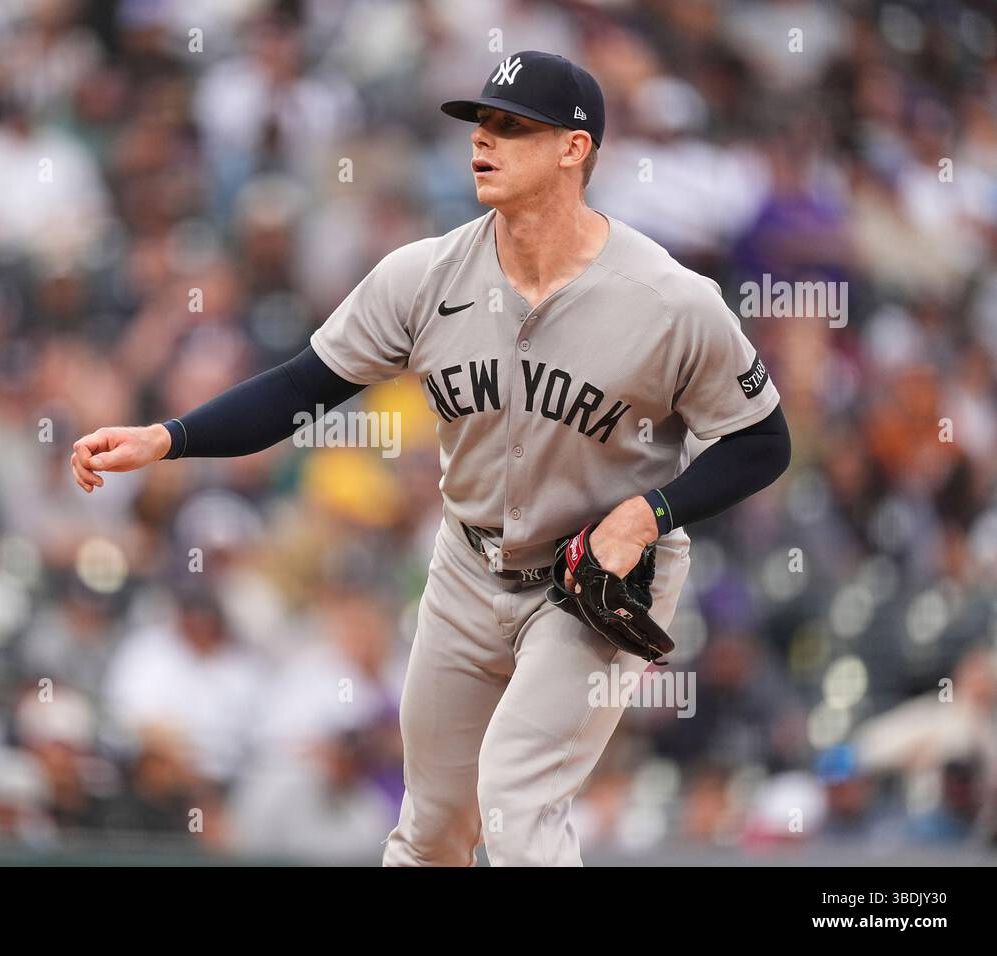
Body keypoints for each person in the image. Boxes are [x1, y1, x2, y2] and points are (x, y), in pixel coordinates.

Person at [70, 52, 790, 866]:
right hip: (468, 567)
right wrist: (167, 437)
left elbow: (762, 441)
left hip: (596, 577)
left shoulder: (669, 300)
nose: (483, 140)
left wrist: (649, 513)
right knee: (433, 831)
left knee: (516, 797)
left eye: (512, 126)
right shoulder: (426, 275)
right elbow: (300, 387)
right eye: (480, 123)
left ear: (573, 149)